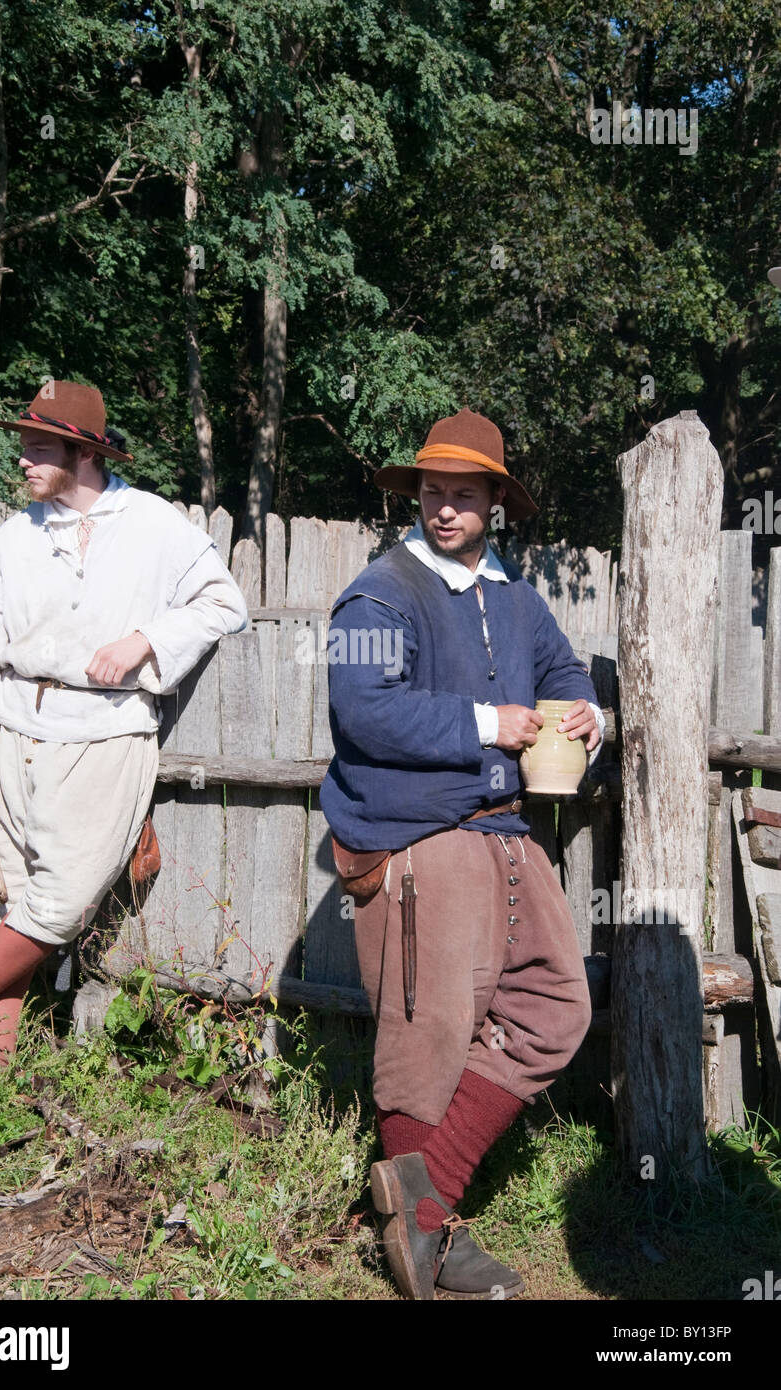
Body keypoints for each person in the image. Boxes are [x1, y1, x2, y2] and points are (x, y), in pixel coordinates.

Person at [320, 407, 604, 1300]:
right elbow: (362, 709)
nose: (444, 509)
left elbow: (560, 671)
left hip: (505, 829)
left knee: (556, 1007)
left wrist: (584, 713)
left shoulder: (514, 598)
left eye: (463, 495)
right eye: (432, 493)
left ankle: (410, 1207)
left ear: (495, 503)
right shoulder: (377, 592)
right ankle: (428, 1242)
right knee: (429, 1029)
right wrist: (490, 724)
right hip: (414, 836)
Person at [0, 380, 247, 1094]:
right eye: (25, 446)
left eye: (40, 448)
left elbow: (226, 602)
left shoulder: (154, 525)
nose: (25, 463)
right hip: (9, 728)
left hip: (106, 734)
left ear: (82, 453)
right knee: (3, 903)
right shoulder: (15, 536)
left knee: (61, 903)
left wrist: (145, 640)